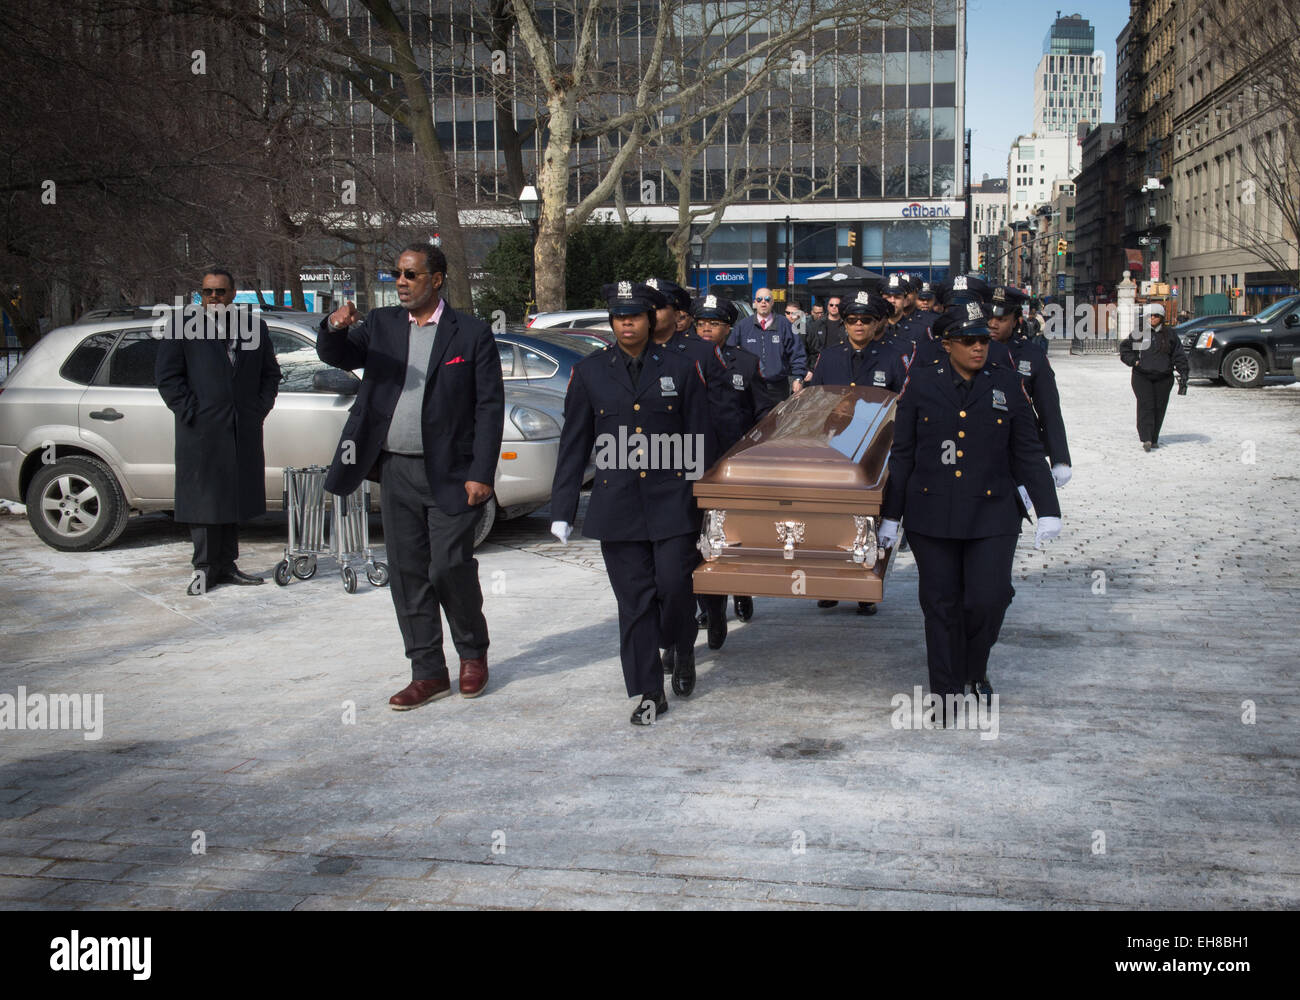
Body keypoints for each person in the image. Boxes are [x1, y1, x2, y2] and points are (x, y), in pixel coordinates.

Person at [318, 244, 504, 710]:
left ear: (436, 279)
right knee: (407, 574)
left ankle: (472, 654)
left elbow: (489, 407)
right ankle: (427, 672)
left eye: (410, 274)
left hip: (454, 474)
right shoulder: (380, 326)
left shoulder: (472, 333)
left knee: (448, 567)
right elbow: (336, 355)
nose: (400, 282)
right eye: (397, 274)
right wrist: (334, 327)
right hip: (395, 469)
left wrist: (482, 472)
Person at [880, 302, 1061, 723]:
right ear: (947, 345)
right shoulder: (921, 383)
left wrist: (1048, 508)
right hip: (932, 512)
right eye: (969, 341)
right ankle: (945, 693)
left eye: (983, 339)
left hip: (993, 511)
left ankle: (973, 667)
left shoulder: (1008, 383)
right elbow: (902, 454)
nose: (979, 348)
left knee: (989, 599)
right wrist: (892, 515)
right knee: (941, 604)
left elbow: (1028, 452)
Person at [550, 281, 711, 725]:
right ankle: (647, 691)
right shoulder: (590, 372)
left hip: (673, 501)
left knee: (675, 589)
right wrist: (561, 508)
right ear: (611, 321)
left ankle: (681, 645)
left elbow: (700, 438)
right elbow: (574, 443)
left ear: (650, 318)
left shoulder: (681, 368)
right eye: (619, 317)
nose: (627, 323)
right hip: (617, 504)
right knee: (635, 601)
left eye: (635, 316)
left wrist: (706, 502)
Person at [156, 267, 280, 596]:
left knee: (232, 497)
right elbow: (168, 377)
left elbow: (271, 374)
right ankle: (205, 568)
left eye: (221, 292)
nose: (214, 298)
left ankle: (227, 564)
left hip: (241, 428)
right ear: (200, 294)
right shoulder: (182, 327)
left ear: (233, 294)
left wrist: (258, 410)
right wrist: (190, 412)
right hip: (201, 430)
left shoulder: (254, 327)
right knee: (204, 499)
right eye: (208, 292)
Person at [807, 288, 909, 617]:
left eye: (866, 320)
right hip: (835, 449)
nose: (859, 326)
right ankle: (828, 585)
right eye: (852, 320)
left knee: (871, 520)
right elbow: (816, 401)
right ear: (845, 323)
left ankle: (865, 585)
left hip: (878, 451)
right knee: (830, 518)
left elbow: (904, 405)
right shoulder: (829, 357)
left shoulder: (894, 357)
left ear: (878, 322)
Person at [691, 294, 776, 646]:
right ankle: (710, 609)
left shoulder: (745, 362)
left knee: (733, 535)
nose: (706, 328)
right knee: (699, 538)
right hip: (695, 462)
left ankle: (739, 589)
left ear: (729, 328)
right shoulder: (686, 361)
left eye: (714, 323)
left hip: (734, 463)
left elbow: (763, 411)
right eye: (701, 323)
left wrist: (756, 452)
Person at [988, 285, 1072, 487]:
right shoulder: (970, 349)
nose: (992, 324)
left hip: (1020, 449)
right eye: (989, 318)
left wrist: (1060, 458)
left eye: (1001, 319)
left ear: (1016, 320)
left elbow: (1049, 409)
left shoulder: (1032, 356)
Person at [1120, 302, 1188, 451]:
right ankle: (1146, 438)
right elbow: (1125, 349)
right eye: (1149, 316)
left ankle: (1154, 436)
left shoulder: (1170, 334)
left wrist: (1183, 373)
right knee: (1146, 405)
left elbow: (1179, 355)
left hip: (1163, 377)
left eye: (1155, 316)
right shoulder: (1139, 333)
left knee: (1159, 407)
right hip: (1142, 376)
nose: (1152, 318)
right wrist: (1134, 361)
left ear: (1161, 317)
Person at [728, 286, 807, 399]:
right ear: (755, 302)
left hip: (778, 387)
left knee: (778, 417)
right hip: (750, 386)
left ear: (772, 302)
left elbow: (797, 352)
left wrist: (798, 378)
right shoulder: (743, 325)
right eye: (759, 299)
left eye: (767, 299)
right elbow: (730, 352)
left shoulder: (784, 324)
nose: (763, 302)